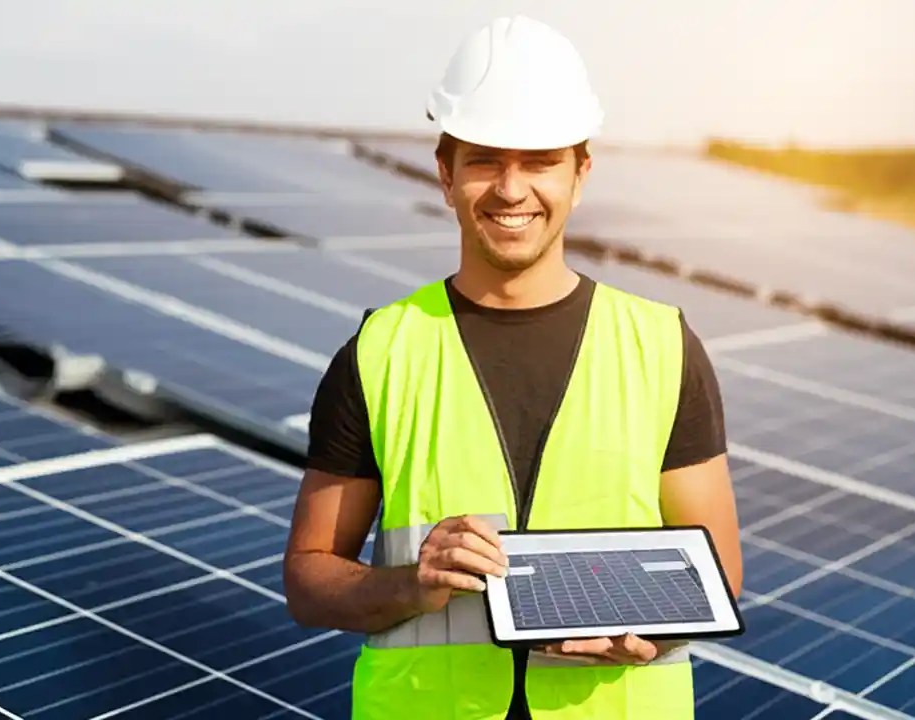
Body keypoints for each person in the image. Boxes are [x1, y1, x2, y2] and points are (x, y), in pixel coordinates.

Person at [282, 13, 743, 720]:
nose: (511, 189)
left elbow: (719, 575)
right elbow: (310, 581)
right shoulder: (381, 351)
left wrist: (644, 633)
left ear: (580, 172)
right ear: (446, 172)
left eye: (540, 161)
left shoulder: (662, 345)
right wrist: (415, 584)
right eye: (485, 159)